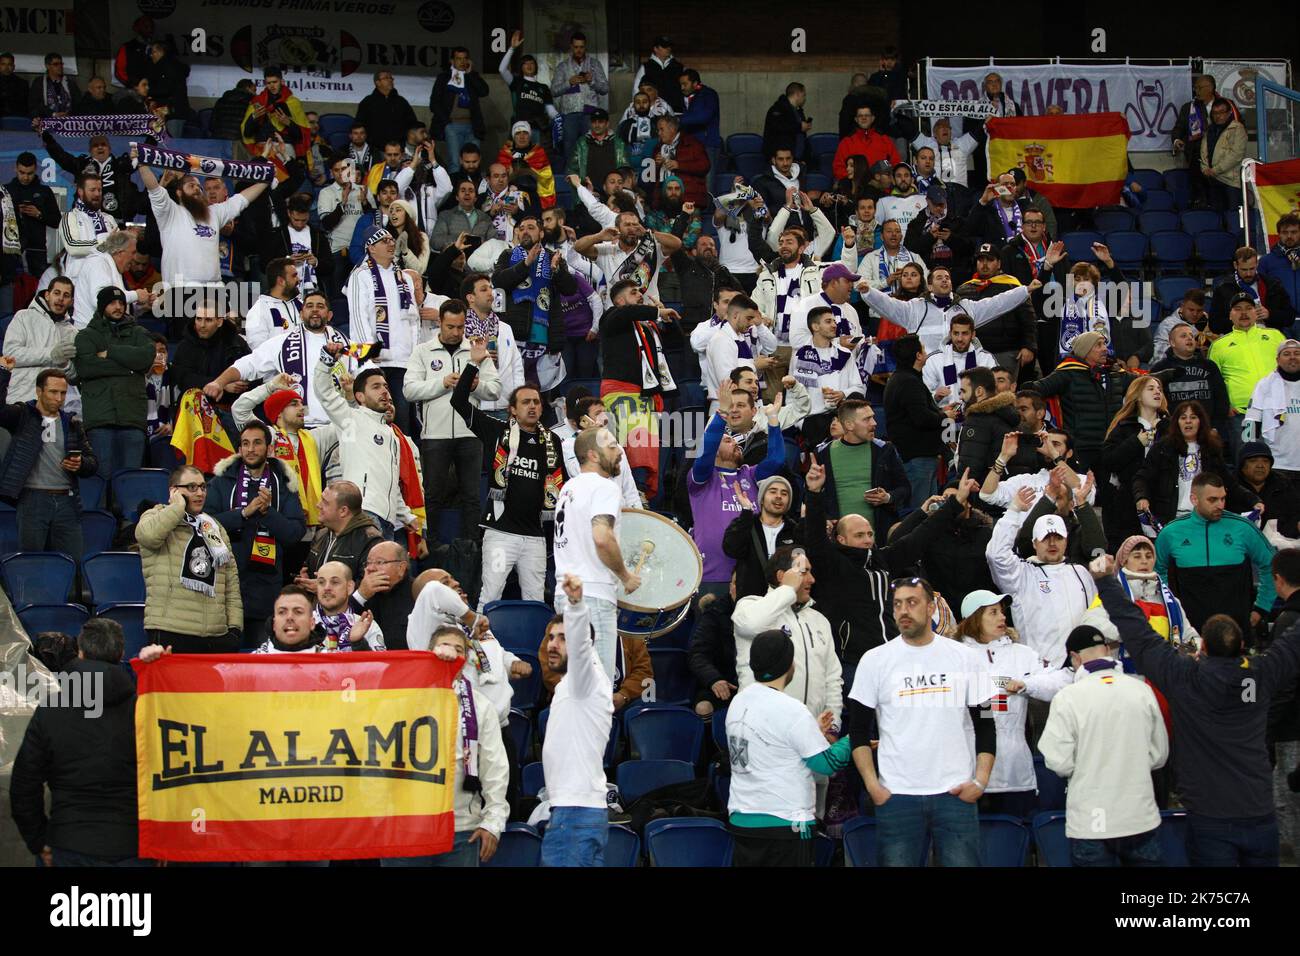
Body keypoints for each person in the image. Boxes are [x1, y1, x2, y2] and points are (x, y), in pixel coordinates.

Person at [848, 577, 995, 867]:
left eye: (912, 603)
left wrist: (981, 780)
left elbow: (987, 721)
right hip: (897, 797)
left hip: (955, 793)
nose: (903, 610)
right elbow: (857, 730)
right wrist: (873, 786)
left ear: (931, 608)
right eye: (898, 604)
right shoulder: (874, 660)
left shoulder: (966, 658)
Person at [9, 618, 153, 867]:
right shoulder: (145, 712)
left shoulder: (51, 711)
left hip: (67, 845)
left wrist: (38, 841)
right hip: (135, 846)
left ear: (81, 653)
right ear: (120, 655)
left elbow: (23, 787)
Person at [1038, 620, 1169, 867]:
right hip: (1139, 816)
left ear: (1074, 658)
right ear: (1107, 651)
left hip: (1091, 822)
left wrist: (1089, 766)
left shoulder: (1067, 698)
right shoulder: (1141, 690)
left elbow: (1059, 762)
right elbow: (1159, 755)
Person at [380, 623, 508, 866]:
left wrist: (493, 823)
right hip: (404, 828)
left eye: (459, 650)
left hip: (460, 830)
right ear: (428, 652)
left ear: (466, 660)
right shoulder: (400, 697)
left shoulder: (480, 707)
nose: (451, 654)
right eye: (444, 647)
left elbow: (495, 769)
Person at [726, 629, 853, 866]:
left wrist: (811, 732)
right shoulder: (792, 711)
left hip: (743, 822)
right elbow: (827, 764)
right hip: (785, 824)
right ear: (789, 664)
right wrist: (854, 738)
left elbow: (772, 745)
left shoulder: (738, 702)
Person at [451, 370, 564, 609]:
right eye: (525, 402)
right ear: (512, 409)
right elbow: (458, 401)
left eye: (536, 402)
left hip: (535, 537)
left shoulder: (552, 441)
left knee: (535, 600)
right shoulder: (497, 431)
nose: (532, 406)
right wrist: (473, 365)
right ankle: (480, 646)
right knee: (490, 595)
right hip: (501, 534)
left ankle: (533, 647)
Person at [956, 591, 1070, 818]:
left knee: (1014, 844)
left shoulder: (1023, 654)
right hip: (967, 773)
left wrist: (1026, 684)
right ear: (975, 617)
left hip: (1015, 773)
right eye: (993, 612)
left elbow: (1062, 680)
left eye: (1002, 612)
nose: (1002, 618)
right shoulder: (955, 655)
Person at [205, 421, 307, 646]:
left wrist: (267, 512)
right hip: (225, 587)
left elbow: (295, 532)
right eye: (245, 444)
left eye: (257, 443)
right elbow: (204, 526)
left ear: (269, 449)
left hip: (266, 589)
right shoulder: (221, 482)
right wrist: (242, 514)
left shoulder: (284, 483)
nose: (250, 449)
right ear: (239, 449)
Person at [404, 300, 499, 539]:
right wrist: (442, 383)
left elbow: (496, 390)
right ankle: (433, 550)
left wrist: (476, 386)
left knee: (471, 497)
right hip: (435, 435)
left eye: (460, 327)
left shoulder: (476, 350)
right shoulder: (422, 351)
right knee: (433, 496)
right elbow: (409, 390)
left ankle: (471, 553)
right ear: (439, 323)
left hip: (470, 434)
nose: (456, 332)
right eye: (450, 327)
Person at [553, 427, 639, 679]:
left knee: (575, 683)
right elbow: (602, 537)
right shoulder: (605, 487)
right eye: (612, 446)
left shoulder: (567, 488)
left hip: (566, 594)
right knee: (599, 685)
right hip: (593, 596)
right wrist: (625, 576)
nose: (619, 451)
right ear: (593, 454)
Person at [987, 479, 1100, 668]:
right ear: (1034, 543)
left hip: (1082, 670)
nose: (1052, 543)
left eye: (1058, 537)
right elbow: (996, 555)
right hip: (1041, 672)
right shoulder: (1021, 575)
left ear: (1066, 541)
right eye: (1046, 538)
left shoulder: (1081, 573)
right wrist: (1014, 512)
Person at [541, 573, 613, 867]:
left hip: (575, 813)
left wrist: (575, 605)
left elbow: (581, 647)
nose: (553, 645)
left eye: (563, 638)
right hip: (575, 811)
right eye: (550, 638)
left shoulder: (585, 680)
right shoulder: (573, 683)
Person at [731, 548, 842, 736]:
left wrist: (833, 726)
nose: (812, 579)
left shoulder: (819, 620)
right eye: (804, 572)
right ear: (782, 576)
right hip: (765, 732)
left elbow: (832, 678)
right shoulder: (749, 605)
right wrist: (788, 590)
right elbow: (749, 625)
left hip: (815, 732)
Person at [690, 389, 786, 599]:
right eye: (727, 440)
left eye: (735, 441)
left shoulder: (749, 474)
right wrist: (721, 413)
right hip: (712, 576)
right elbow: (705, 452)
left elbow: (777, 460)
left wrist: (772, 419)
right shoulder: (701, 479)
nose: (735, 442)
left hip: (751, 573)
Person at [136, 464, 243, 653]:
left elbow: (231, 583)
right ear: (174, 490)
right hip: (171, 630)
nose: (200, 493)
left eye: (203, 487)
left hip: (215, 635)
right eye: (192, 487)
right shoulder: (155, 516)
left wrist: (234, 628)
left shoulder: (214, 527)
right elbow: (148, 536)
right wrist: (177, 506)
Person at [1155, 472, 1276, 635]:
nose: (1220, 505)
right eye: (1212, 500)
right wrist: (1170, 609)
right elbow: (1156, 572)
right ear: (1194, 499)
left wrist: (1261, 607)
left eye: (1223, 498)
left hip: (1236, 629)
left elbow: (1272, 565)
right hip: (1191, 630)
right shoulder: (1171, 532)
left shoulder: (1243, 528)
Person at [0, 362, 97, 556]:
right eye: (53, 392)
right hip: (32, 500)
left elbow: (92, 463)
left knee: (72, 564)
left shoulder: (72, 423)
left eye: (62, 393)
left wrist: (81, 464)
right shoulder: (22, 416)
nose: (59, 398)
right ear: (38, 391)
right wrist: (3, 374)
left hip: (67, 501)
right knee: (31, 562)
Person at [133, 147, 268, 286]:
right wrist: (142, 165)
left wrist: (265, 181)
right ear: (179, 193)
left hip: (214, 288)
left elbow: (242, 199)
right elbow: (154, 189)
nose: (197, 188)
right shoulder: (170, 213)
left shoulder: (213, 213)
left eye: (199, 187)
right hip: (180, 289)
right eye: (192, 186)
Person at [313, 348, 404, 538]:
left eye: (386, 386)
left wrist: (407, 516)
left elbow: (392, 483)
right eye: (376, 387)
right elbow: (324, 392)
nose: (385, 391)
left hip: (389, 520)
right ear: (360, 397)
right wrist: (326, 361)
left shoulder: (392, 436)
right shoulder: (351, 420)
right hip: (363, 513)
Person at [1133, 399, 1257, 530]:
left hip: (1205, 519)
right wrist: (1142, 497)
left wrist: (1254, 500)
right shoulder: (1162, 448)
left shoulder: (1211, 449)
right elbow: (1141, 477)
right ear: (1177, 423)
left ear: (1200, 422)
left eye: (1193, 417)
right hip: (1172, 521)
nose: (1188, 421)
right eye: (1183, 418)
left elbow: (1230, 484)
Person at [1024, 332, 1138, 473]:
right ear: (1085, 349)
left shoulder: (1115, 373)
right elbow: (1034, 390)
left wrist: (1170, 373)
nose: (1105, 349)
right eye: (1099, 345)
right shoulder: (1067, 373)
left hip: (1112, 446)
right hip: (1081, 449)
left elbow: (1144, 383)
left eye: (1104, 344)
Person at [73, 287, 154, 482]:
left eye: (121, 303)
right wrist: (129, 368)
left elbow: (145, 358)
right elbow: (86, 368)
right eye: (112, 303)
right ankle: (100, 514)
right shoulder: (86, 336)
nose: (118, 307)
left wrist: (109, 352)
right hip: (100, 418)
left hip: (132, 417)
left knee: (130, 481)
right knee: (101, 478)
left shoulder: (139, 332)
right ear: (102, 306)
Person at [1209, 293, 1288, 455]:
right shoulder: (1219, 346)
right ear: (1230, 315)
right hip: (1244, 415)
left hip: (1278, 411)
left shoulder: (1275, 336)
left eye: (1248, 308)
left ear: (1256, 312)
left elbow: (1290, 368)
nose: (1243, 313)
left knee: (1283, 457)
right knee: (1248, 456)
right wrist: (1225, 406)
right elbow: (1212, 382)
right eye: (1238, 309)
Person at [884, 334, 954, 509]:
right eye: (922, 349)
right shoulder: (909, 382)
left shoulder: (903, 379)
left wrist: (940, 410)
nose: (925, 352)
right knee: (919, 513)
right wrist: (945, 417)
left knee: (928, 511)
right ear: (918, 355)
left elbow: (916, 412)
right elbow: (921, 418)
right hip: (917, 457)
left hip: (918, 456)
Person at [1099, 376, 1169, 548]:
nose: (1157, 392)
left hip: (1164, 500)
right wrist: (1136, 443)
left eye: (1159, 388)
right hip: (1129, 504)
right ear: (1137, 396)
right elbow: (1108, 461)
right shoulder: (1124, 427)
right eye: (1150, 388)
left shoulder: (1170, 427)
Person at [537, 615, 652, 717]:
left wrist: (624, 695)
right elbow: (551, 672)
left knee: (646, 713)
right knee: (547, 717)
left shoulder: (629, 630)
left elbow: (643, 671)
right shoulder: (561, 627)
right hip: (577, 699)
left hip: (624, 702)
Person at [722, 475, 802, 600]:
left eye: (784, 493)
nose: (779, 496)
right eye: (773, 491)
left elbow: (801, 567)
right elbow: (731, 549)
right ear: (762, 499)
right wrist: (746, 511)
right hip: (751, 604)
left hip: (786, 604)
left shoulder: (795, 530)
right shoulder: (746, 523)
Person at [1151, 321, 1231, 439]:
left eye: (1191, 336)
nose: (1189, 338)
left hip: (1207, 433)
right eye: (1183, 336)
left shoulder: (1209, 366)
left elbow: (1221, 400)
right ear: (1172, 342)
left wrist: (1215, 428)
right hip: (1172, 435)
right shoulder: (1160, 369)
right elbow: (1153, 404)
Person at [252, 581, 378, 655]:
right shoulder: (253, 662)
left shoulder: (331, 660)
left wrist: (358, 644)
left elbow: (372, 681)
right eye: (282, 612)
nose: (289, 617)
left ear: (312, 623)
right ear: (274, 623)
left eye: (298, 612)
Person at [4, 278, 77, 403]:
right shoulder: (24, 317)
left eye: (66, 295)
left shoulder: (73, 333)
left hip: (54, 406)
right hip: (22, 399)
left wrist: (64, 365)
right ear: (47, 295)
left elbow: (75, 377)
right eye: (56, 293)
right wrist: (51, 354)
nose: (60, 299)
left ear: (71, 301)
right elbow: (10, 356)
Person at [550, 32, 609, 173]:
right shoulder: (563, 67)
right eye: (576, 47)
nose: (579, 50)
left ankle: (591, 175)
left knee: (590, 146)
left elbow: (605, 88)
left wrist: (592, 80)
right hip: (569, 114)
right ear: (571, 47)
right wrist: (569, 82)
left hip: (590, 114)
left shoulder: (594, 64)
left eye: (581, 47)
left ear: (585, 47)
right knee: (569, 147)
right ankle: (570, 177)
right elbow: (554, 90)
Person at [953, 365, 1021, 484]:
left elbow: (970, 469)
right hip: (1003, 488)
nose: (960, 397)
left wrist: (959, 490)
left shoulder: (977, 419)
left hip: (980, 491)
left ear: (979, 391)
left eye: (963, 391)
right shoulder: (1006, 414)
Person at [1243, 339, 1300, 477]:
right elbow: (1250, 422)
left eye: (1297, 353)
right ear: (1277, 360)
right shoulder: (1265, 386)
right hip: (1278, 464)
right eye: (1286, 354)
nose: (1292, 357)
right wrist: (1249, 453)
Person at [1209, 247, 1297, 336]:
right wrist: (1240, 320)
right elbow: (1214, 325)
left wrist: (1270, 314)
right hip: (1237, 340)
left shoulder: (1273, 284)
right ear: (1235, 265)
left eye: (1252, 269)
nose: (1248, 274)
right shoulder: (1223, 288)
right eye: (1244, 270)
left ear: (1257, 264)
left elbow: (1290, 317)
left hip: (1269, 338)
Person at [240, 67, 311, 174]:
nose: (272, 86)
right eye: (268, 83)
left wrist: (289, 123)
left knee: (288, 185)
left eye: (275, 82)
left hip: (285, 149)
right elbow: (247, 133)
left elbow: (300, 136)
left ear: (281, 81)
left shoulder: (293, 102)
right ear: (265, 83)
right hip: (263, 150)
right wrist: (253, 117)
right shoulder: (256, 102)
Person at [347, 540, 415, 650]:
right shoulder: (361, 589)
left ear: (401, 568)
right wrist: (361, 595)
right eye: (368, 563)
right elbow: (339, 621)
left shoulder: (417, 592)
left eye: (380, 562)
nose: (371, 568)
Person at [921, 312, 996, 409]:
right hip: (944, 417)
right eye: (956, 333)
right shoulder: (933, 360)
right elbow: (922, 396)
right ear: (950, 334)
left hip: (978, 415)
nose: (960, 339)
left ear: (973, 334)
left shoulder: (986, 358)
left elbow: (994, 391)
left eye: (964, 333)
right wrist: (935, 396)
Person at [7, 151, 61, 280]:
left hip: (37, 250)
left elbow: (57, 221)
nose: (26, 177)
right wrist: (14, 211)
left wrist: (39, 214)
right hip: (10, 250)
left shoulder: (44, 191)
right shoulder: (6, 191)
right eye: (22, 172)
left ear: (36, 169)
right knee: (11, 290)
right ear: (15, 168)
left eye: (30, 173)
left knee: (37, 290)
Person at [499, 30, 560, 141]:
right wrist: (512, 48)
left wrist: (558, 118)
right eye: (526, 63)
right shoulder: (516, 82)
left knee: (536, 158)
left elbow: (550, 110)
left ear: (536, 66)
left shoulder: (543, 87)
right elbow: (502, 69)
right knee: (519, 158)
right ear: (521, 67)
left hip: (538, 129)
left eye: (532, 63)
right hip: (520, 129)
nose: (529, 65)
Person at [1238, 442, 1300, 542]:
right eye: (1253, 461)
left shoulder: (1283, 484)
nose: (1260, 465)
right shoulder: (1231, 488)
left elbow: (1296, 516)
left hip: (1281, 544)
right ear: (1242, 465)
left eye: (1266, 461)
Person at [1172, 75, 1218, 207]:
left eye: (1199, 88)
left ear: (1211, 88)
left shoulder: (1224, 106)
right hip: (1195, 156)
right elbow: (1178, 129)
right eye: (1195, 88)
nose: (1196, 91)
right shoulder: (1189, 108)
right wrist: (1177, 140)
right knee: (1199, 194)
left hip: (1219, 157)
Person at [354, 70, 418, 158]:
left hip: (400, 149)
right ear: (377, 83)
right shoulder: (368, 102)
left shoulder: (401, 102)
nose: (390, 80)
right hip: (375, 150)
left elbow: (412, 124)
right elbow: (360, 125)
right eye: (386, 78)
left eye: (391, 78)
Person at [1199, 98, 1247, 212]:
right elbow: (1203, 152)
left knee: (1233, 216)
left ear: (1229, 113)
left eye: (1221, 112)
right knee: (1216, 215)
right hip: (1211, 178)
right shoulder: (1210, 130)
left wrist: (1216, 170)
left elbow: (1236, 155)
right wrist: (1205, 168)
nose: (1218, 116)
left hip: (1230, 181)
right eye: (1215, 113)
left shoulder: (1237, 128)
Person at [832, 104, 900, 181]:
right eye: (860, 116)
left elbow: (896, 165)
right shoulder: (846, 143)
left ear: (873, 118)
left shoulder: (885, 141)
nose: (863, 118)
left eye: (867, 115)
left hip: (882, 189)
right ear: (856, 119)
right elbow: (838, 169)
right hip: (855, 189)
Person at [912, 118, 977, 189]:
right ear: (934, 133)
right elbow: (908, 128)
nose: (945, 129)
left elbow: (980, 130)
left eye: (947, 127)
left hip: (959, 194)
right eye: (940, 127)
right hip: (936, 194)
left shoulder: (961, 144)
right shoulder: (927, 144)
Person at [1151, 289, 1210, 365]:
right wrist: (1193, 350)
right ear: (1182, 306)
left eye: (1199, 311)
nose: (1195, 314)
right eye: (1191, 310)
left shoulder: (1207, 321)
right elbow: (1159, 356)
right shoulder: (1167, 325)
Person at [1258, 213, 1300, 319]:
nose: (1289, 236)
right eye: (1285, 232)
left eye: (1294, 232)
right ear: (1279, 234)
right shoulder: (1266, 262)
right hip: (1280, 321)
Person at [763, 82, 812, 159]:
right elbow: (778, 127)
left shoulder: (798, 111)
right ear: (797, 94)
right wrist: (799, 127)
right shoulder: (778, 109)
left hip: (796, 157)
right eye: (804, 95)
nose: (804, 98)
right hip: (781, 158)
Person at [28, 52, 79, 119]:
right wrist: (53, 114)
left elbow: (78, 103)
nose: (60, 66)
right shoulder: (39, 83)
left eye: (61, 64)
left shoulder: (70, 83)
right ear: (47, 66)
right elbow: (34, 105)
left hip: (68, 120)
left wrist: (69, 114)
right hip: (47, 120)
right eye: (56, 64)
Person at [0, 52, 30, 118]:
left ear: (13, 67)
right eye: (3, 64)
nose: (6, 67)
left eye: (9, 64)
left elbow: (25, 106)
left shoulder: (23, 84)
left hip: (17, 118)